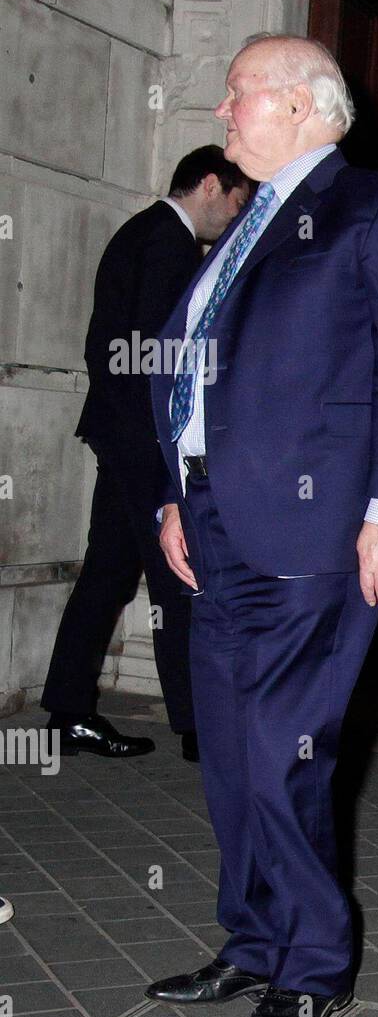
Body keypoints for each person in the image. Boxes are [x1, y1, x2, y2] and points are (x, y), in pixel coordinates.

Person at [142, 34, 378, 1017]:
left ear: (302, 106)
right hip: (220, 524)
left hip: (319, 532)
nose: (223, 113)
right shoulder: (244, 224)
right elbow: (202, 376)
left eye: (238, 96)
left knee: (285, 753)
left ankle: (315, 960)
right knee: (230, 754)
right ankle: (252, 942)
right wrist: (175, 495)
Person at [41, 147, 249, 762]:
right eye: (235, 203)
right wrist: (166, 446)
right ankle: (196, 728)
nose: (233, 219)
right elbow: (158, 362)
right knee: (177, 575)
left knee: (106, 574)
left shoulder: (140, 232)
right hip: (141, 441)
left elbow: (114, 349)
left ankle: (67, 713)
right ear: (210, 184)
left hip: (121, 433)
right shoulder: (168, 242)